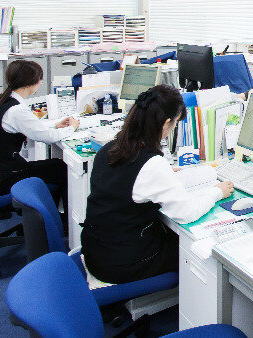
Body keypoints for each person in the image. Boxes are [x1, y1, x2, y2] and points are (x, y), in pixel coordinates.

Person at [81, 85, 233, 284]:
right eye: (175, 124)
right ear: (166, 123)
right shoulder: (151, 165)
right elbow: (187, 212)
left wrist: (168, 174)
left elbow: (132, 182)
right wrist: (216, 192)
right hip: (121, 264)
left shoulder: (110, 148)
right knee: (196, 253)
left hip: (97, 252)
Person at [0, 60, 79, 208]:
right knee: (61, 168)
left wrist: (55, 124)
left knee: (55, 165)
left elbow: (29, 127)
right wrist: (72, 128)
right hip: (6, 176)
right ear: (33, 82)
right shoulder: (16, 110)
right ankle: (56, 218)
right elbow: (47, 137)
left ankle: (48, 213)